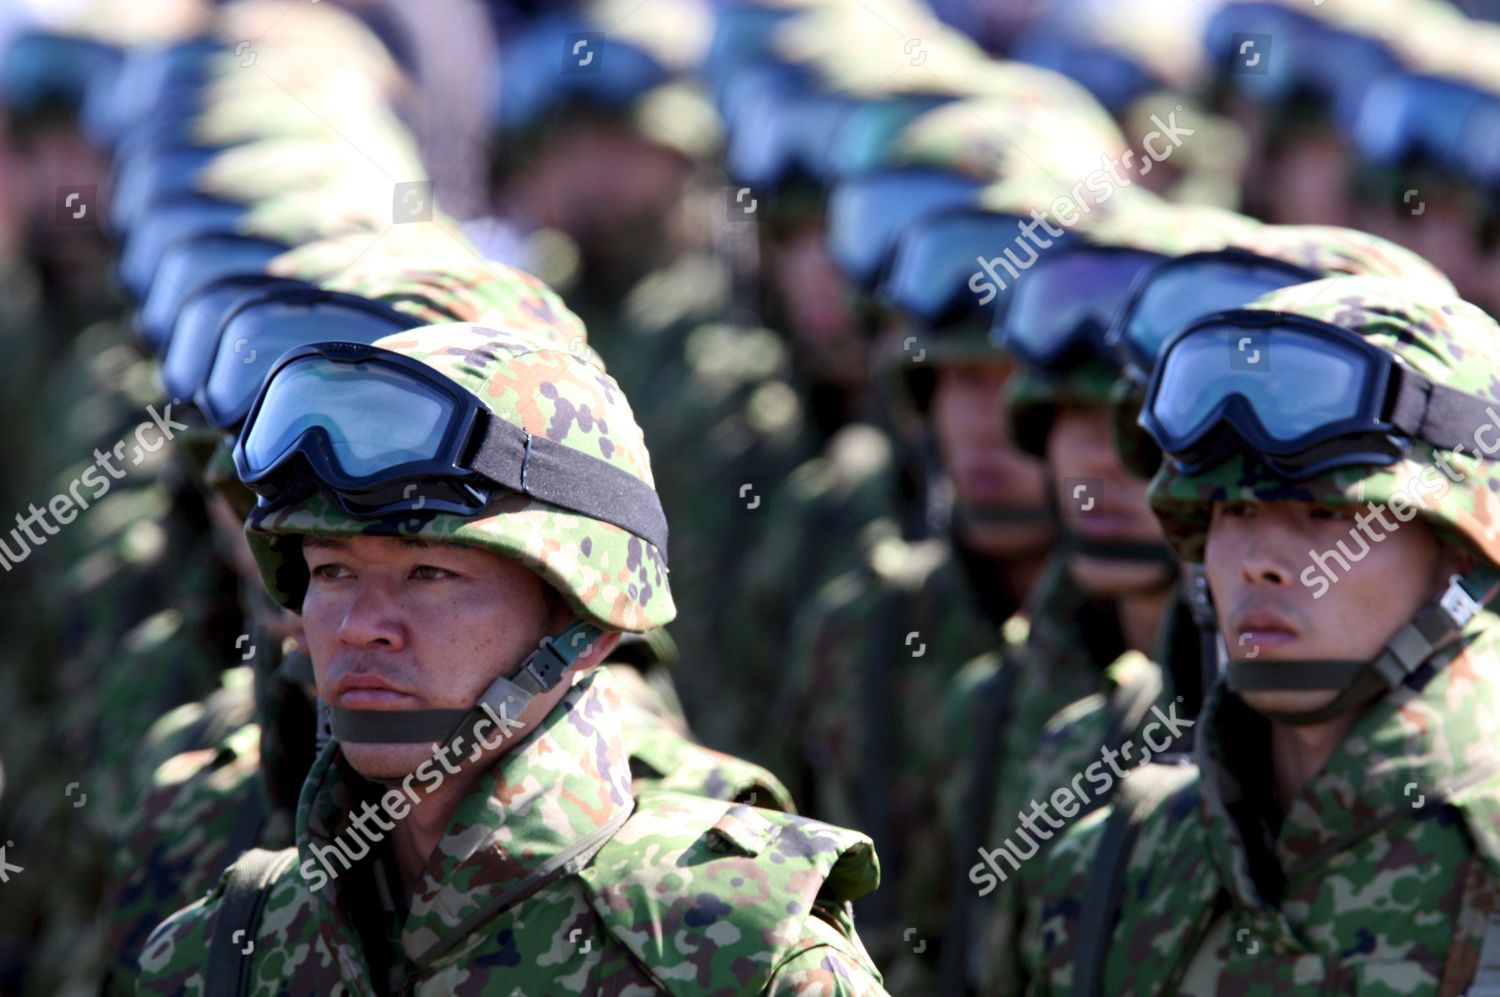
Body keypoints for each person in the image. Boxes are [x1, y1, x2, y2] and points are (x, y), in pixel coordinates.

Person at [139, 320, 887, 994]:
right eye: (333, 570)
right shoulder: (217, 958)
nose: (361, 626)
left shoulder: (746, 958)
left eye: (430, 574)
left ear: (586, 616)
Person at [1021, 276, 1500, 995]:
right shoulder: (1114, 864)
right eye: (1235, 513)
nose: (1261, 564)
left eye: (1328, 515)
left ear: (1460, 551)